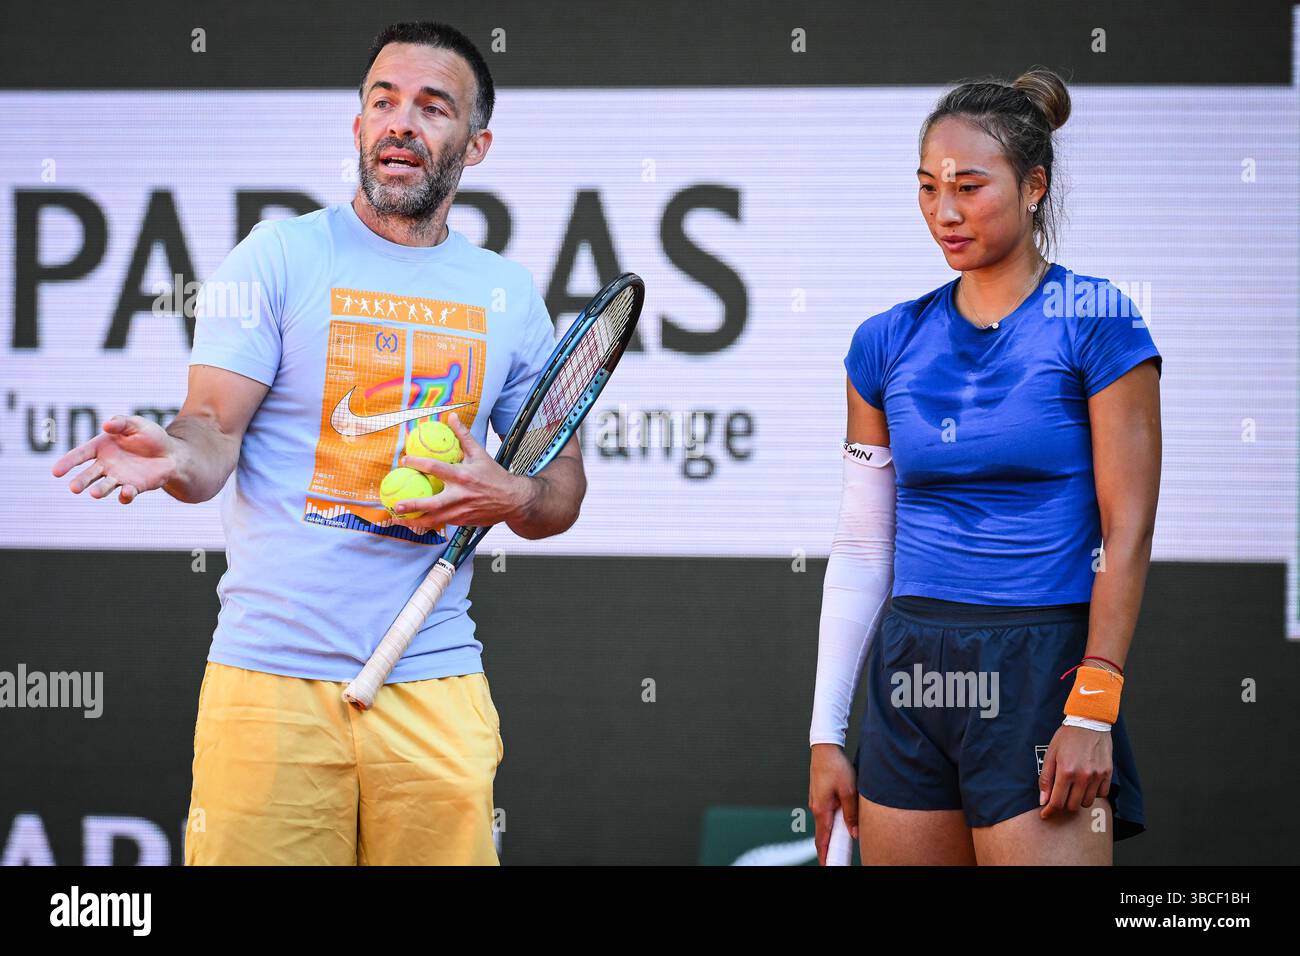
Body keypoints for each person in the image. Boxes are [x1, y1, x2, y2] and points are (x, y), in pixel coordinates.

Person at [51, 21, 585, 865]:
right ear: (359, 126)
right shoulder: (277, 256)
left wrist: (510, 496)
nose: (402, 122)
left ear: (475, 145)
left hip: (435, 678)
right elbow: (209, 434)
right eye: (384, 102)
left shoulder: (509, 296)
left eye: (432, 107)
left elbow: (558, 495)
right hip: (267, 681)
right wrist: (177, 457)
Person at [809, 68, 1161, 865]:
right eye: (928, 188)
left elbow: (1127, 528)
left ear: (1034, 186)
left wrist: (1094, 707)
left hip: (1043, 668)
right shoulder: (884, 341)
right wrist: (827, 733)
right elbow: (865, 547)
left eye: (970, 186)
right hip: (911, 676)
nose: (945, 211)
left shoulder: (1097, 320)